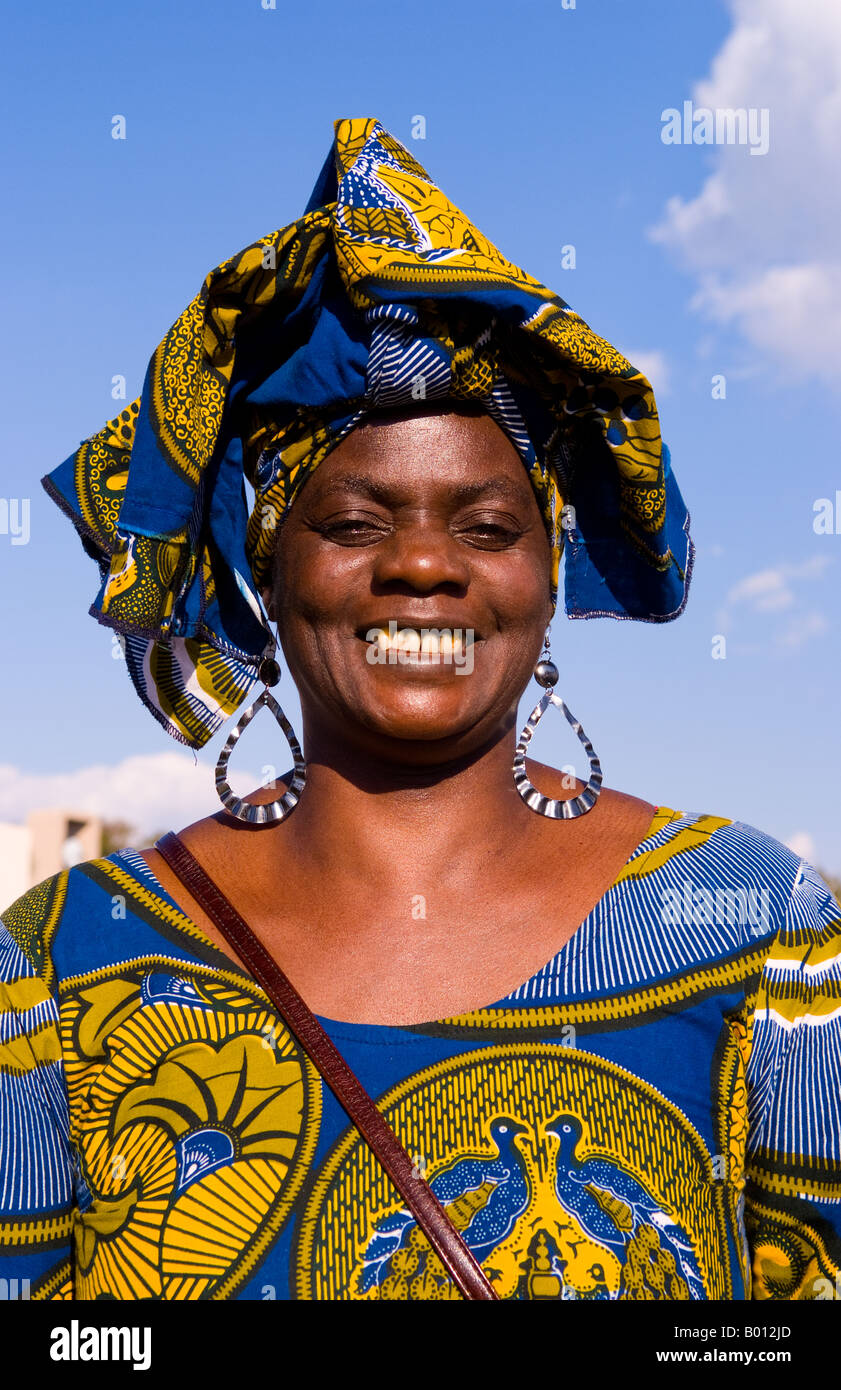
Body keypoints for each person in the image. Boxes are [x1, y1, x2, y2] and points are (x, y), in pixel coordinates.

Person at [1, 117, 838, 1303]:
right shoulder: (54, 965)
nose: (423, 567)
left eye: (488, 527)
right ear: (271, 575)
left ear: (546, 583)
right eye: (352, 523)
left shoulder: (759, 929)